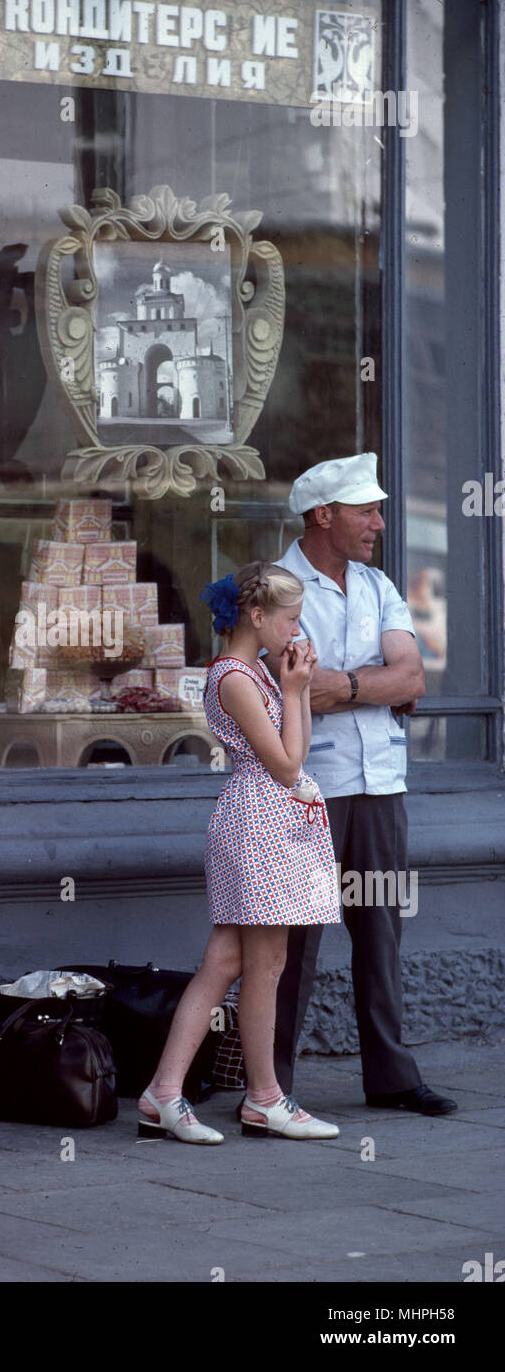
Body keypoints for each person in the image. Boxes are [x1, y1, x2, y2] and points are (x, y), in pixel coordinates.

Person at [271, 454, 456, 1116]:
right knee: (292, 942)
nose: (379, 522)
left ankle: (391, 1076)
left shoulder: (378, 585)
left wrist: (346, 685)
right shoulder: (278, 588)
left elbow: (411, 680)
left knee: (381, 933)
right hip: (309, 787)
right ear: (325, 516)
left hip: (381, 785)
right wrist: (371, 684)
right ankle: (272, 1085)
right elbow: (297, 689)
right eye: (366, 510)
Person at [137, 562, 342, 1143]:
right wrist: (297, 688)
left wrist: (294, 687)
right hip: (260, 822)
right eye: (291, 618)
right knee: (266, 965)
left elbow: (293, 750)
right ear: (257, 616)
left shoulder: (256, 671)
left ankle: (165, 1094)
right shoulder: (235, 677)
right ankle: (264, 1098)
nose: (298, 630)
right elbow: (287, 764)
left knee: (227, 962)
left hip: (269, 819)